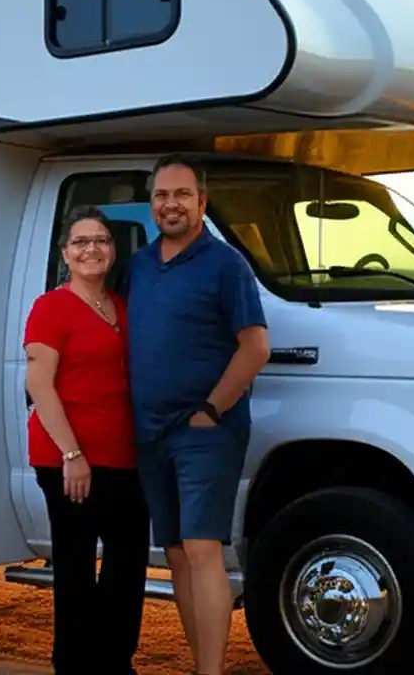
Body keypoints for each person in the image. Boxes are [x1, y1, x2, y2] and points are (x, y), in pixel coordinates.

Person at [125, 154, 271, 675]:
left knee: (203, 546)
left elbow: (255, 347)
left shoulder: (226, 264)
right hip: (149, 433)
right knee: (176, 554)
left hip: (205, 431)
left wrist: (211, 410)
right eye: (162, 195)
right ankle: (198, 664)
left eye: (182, 194)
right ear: (152, 205)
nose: (172, 204)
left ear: (202, 202)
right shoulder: (141, 265)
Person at [23, 205, 150, 675]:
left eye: (100, 240)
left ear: (113, 250)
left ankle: (115, 662)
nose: (91, 249)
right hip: (68, 460)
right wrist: (72, 455)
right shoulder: (50, 307)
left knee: (127, 564)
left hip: (124, 458)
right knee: (76, 569)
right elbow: (40, 384)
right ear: (65, 253)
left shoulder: (120, 305)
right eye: (80, 242)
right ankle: (74, 665)